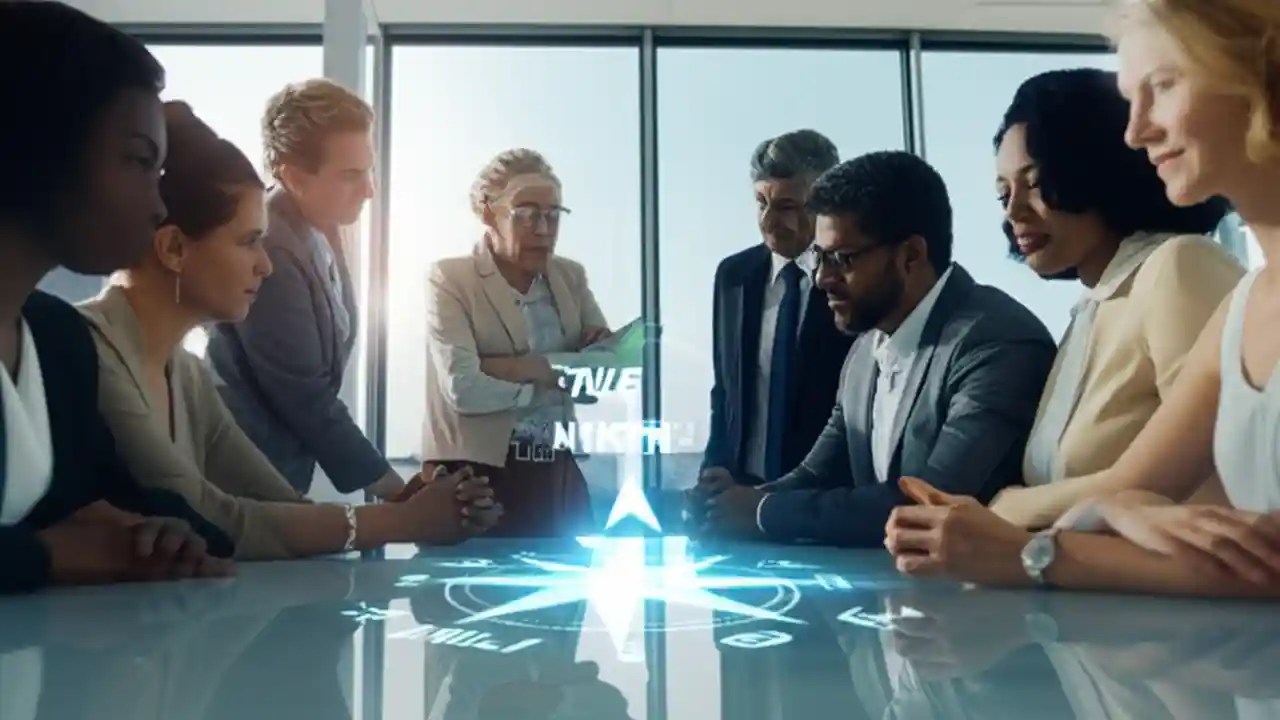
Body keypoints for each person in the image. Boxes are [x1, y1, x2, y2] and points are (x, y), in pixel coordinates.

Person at [886, 0, 1280, 598]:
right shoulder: (1243, 304)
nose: (1136, 130)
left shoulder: (1182, 267)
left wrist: (1036, 547)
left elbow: (1252, 549)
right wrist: (1116, 508)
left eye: (1164, 86)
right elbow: (1130, 486)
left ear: (1263, 76)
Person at [79, 102, 501, 560]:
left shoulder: (185, 373)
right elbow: (206, 514)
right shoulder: (88, 351)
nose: (264, 263)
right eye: (248, 242)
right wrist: (405, 516)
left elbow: (277, 502)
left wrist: (420, 505)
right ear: (174, 248)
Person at [691, 150, 1056, 546]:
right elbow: (817, 475)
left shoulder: (997, 342)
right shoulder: (865, 351)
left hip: (983, 604)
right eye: (820, 258)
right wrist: (731, 502)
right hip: (892, 597)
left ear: (911, 255)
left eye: (842, 259)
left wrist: (762, 513)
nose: (821, 279)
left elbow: (931, 502)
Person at [0, 0, 233, 593]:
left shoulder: (57, 339)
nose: (157, 206)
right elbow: (65, 542)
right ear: (34, 142)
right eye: (136, 161)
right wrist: (45, 557)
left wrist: (160, 535)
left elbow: (119, 502)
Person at [986, 68, 1242, 530]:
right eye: (1004, 192)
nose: (1013, 211)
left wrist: (1011, 507)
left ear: (1099, 170)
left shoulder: (1179, 265)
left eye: (1037, 183)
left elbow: (1214, 478)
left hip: (1194, 596)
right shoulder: (1091, 309)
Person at [206, 78, 404, 498]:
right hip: (245, 472)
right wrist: (397, 491)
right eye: (351, 175)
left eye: (369, 171)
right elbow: (303, 393)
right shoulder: (270, 241)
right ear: (294, 176)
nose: (369, 190)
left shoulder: (324, 223)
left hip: (281, 463)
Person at [423, 149, 604, 537]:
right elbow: (464, 389)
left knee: (572, 592)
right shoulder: (450, 279)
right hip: (476, 478)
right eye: (526, 213)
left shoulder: (570, 277)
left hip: (558, 470)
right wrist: (556, 370)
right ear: (489, 213)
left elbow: (602, 378)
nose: (543, 229)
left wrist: (508, 367)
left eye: (553, 215)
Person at [701, 130, 854, 489]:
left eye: (786, 206)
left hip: (824, 497)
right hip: (740, 491)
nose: (768, 220)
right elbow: (725, 390)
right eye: (760, 202)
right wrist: (714, 469)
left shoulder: (850, 276)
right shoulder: (733, 277)